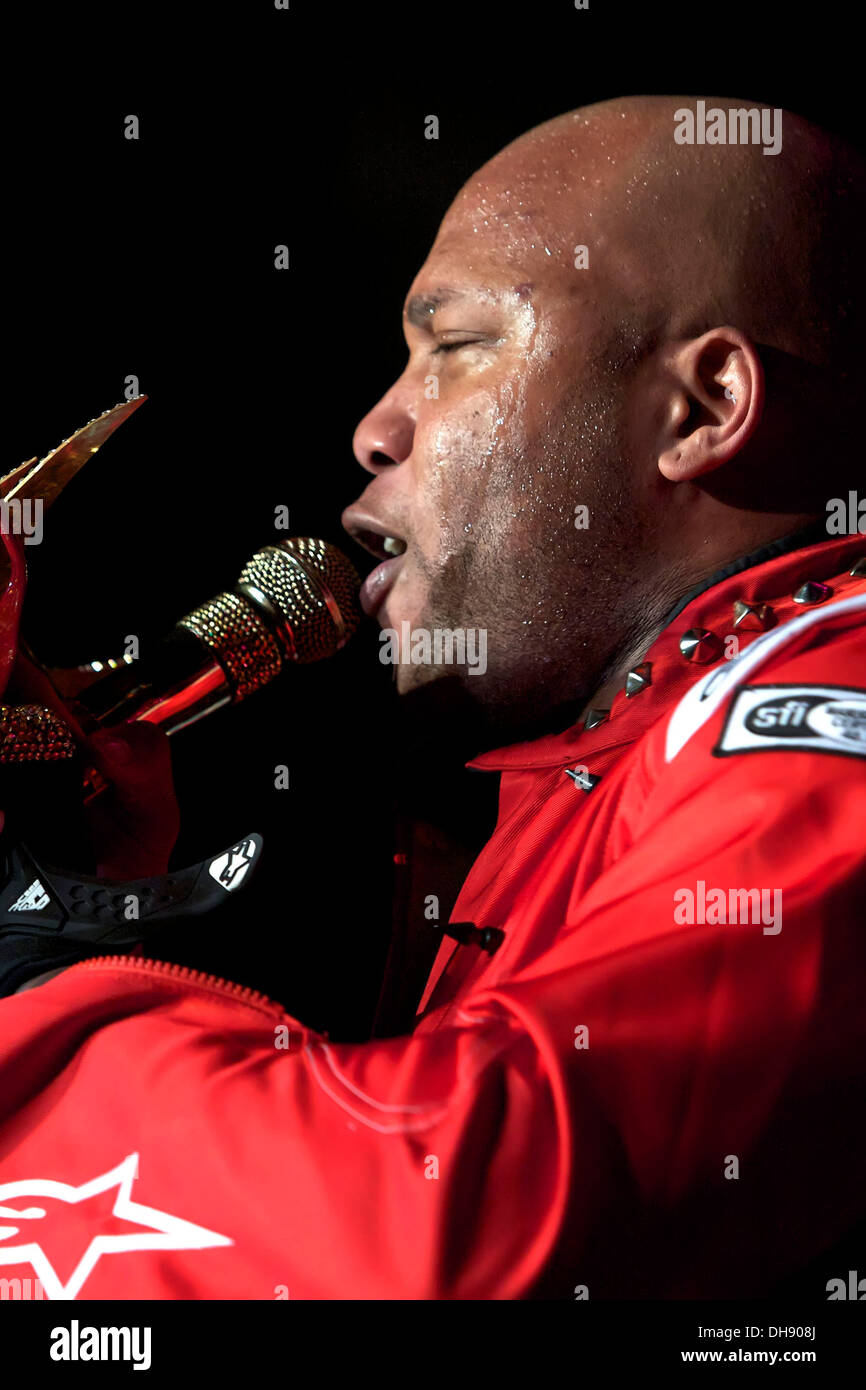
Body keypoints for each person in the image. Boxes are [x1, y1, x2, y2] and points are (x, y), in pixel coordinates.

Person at [0, 95, 864, 1301]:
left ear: (704, 406)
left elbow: (437, 1231)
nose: (373, 429)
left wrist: (36, 1000)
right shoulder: (611, 765)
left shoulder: (829, 693)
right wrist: (72, 906)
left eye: (453, 346)